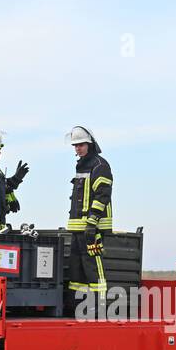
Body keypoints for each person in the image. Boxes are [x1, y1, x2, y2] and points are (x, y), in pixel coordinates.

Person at [66, 125, 112, 298]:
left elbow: (102, 195)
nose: (78, 148)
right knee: (76, 270)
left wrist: (92, 223)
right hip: (78, 228)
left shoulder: (100, 165)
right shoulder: (81, 166)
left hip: (92, 227)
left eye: (81, 145)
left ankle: (99, 304)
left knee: (93, 267)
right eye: (75, 146)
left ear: (90, 144)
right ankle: (75, 304)